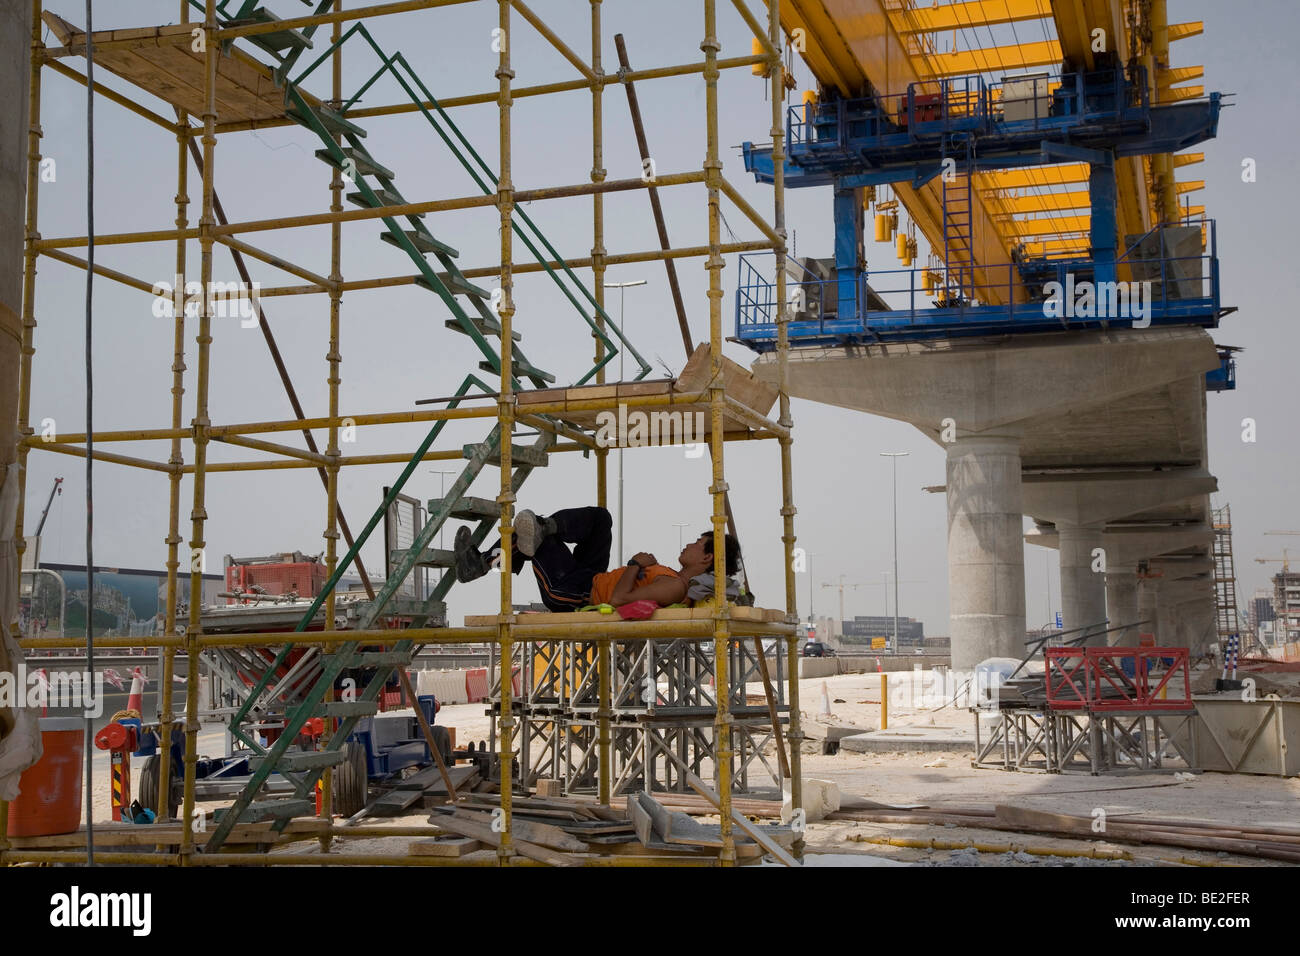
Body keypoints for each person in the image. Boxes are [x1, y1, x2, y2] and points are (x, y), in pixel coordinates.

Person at [453, 506, 742, 613]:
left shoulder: (676, 586)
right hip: (589, 578)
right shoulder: (672, 577)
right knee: (601, 519)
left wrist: (634, 563)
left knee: (538, 540)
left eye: (698, 543)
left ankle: (480, 564)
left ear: (706, 558)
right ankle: (548, 524)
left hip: (573, 592)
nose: (690, 543)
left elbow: (618, 600)